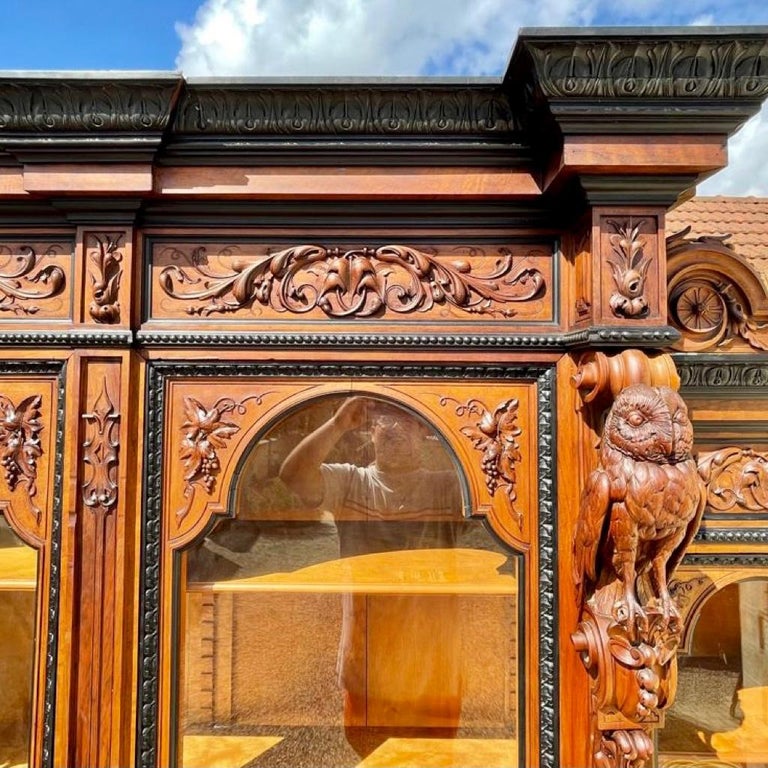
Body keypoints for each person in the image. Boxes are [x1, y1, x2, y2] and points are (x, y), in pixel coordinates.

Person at [279, 396, 465, 735]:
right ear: (370, 431)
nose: (396, 430)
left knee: (434, 758)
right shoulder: (351, 482)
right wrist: (337, 425)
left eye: (408, 421)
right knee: (368, 753)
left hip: (434, 670)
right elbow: (293, 476)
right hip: (367, 669)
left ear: (424, 430)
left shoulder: (447, 486)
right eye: (385, 421)